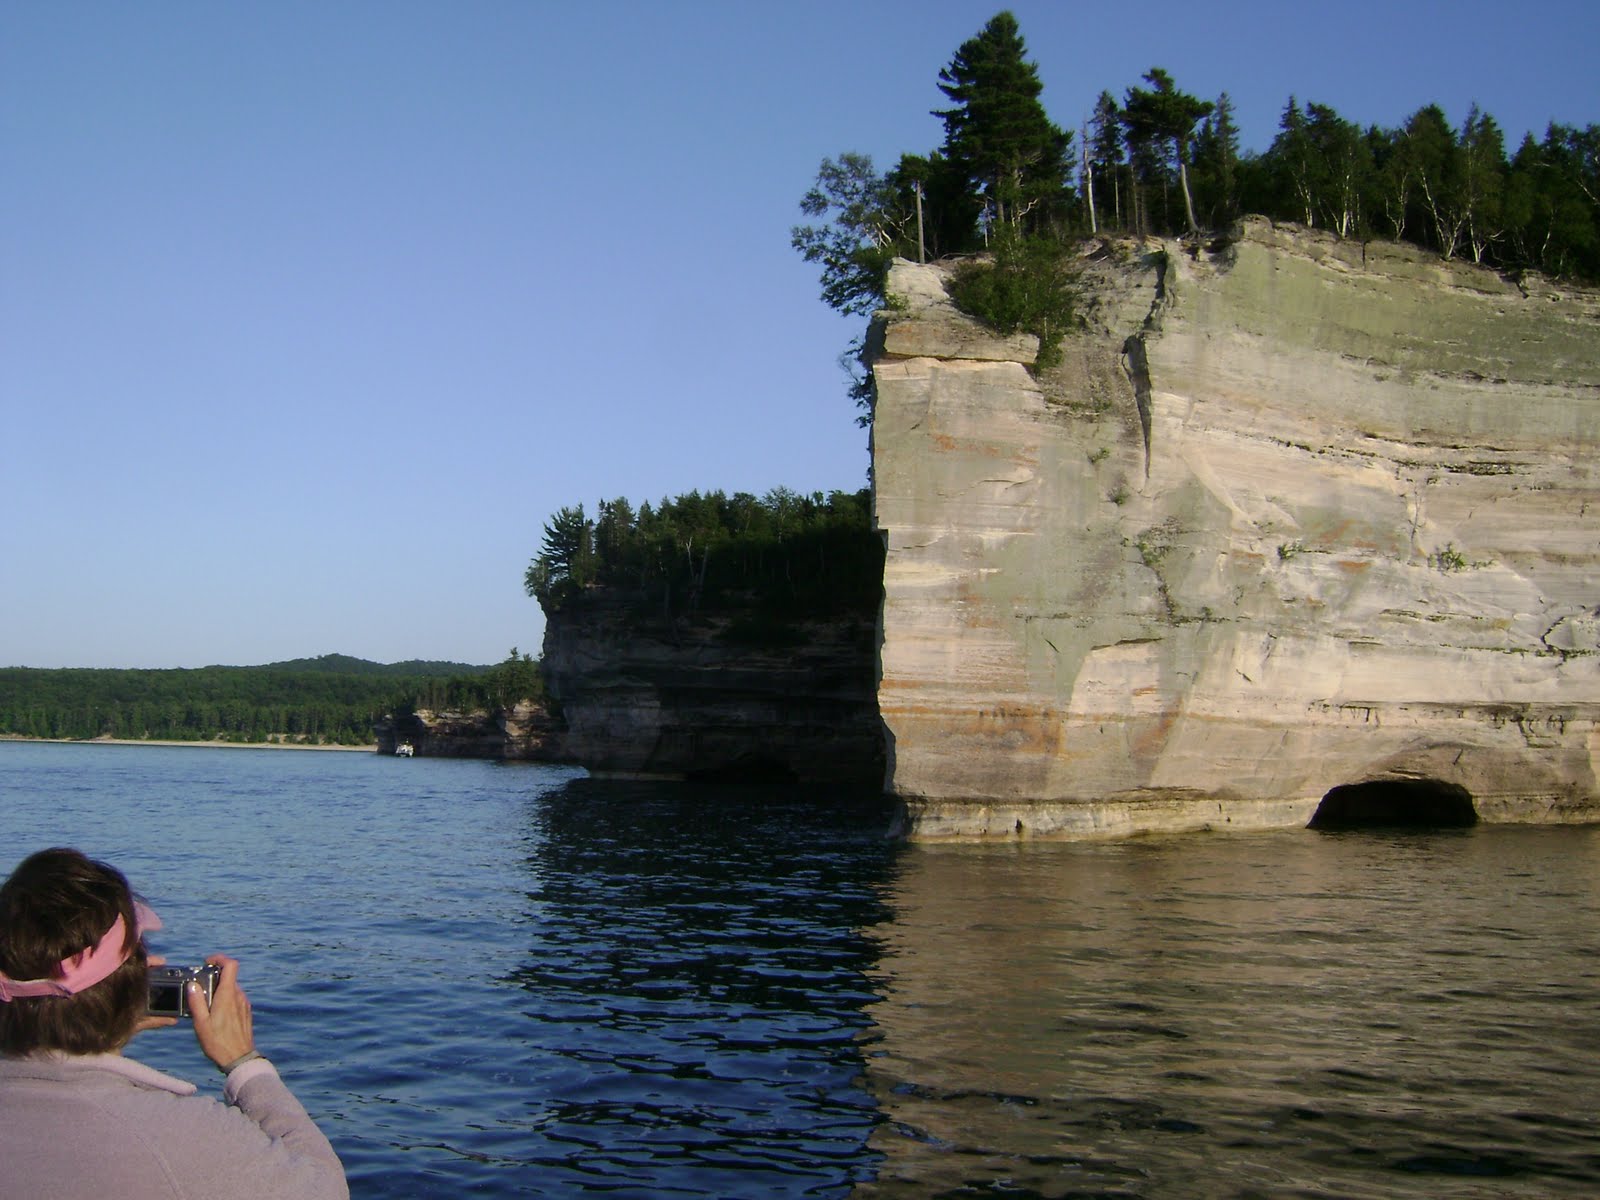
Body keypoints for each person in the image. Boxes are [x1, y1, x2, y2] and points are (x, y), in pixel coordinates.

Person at [0, 847, 348, 1199]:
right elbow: (325, 1189)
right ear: (133, 982)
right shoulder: (181, 1138)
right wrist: (246, 1064)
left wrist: (104, 1023)